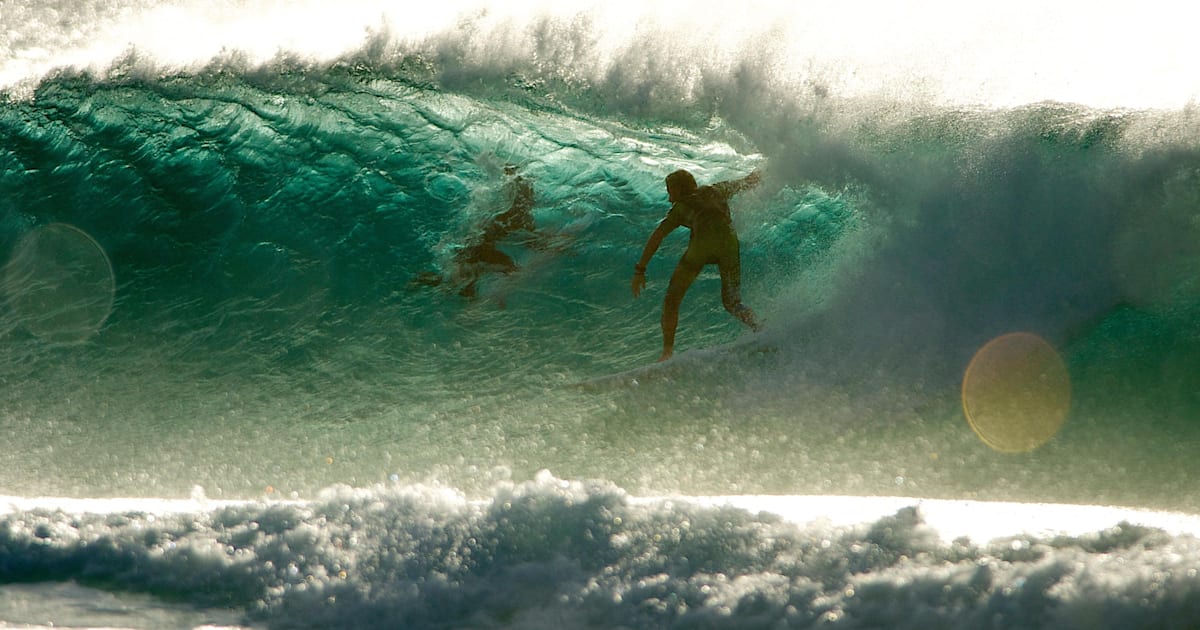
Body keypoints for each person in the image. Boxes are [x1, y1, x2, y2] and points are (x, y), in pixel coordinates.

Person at [631, 168, 762, 361]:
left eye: (670, 191)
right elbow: (747, 182)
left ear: (678, 188)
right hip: (730, 243)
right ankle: (760, 328)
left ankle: (667, 352)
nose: (669, 198)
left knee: (672, 299)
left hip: (703, 246)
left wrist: (640, 269)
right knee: (732, 303)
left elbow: (657, 236)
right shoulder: (716, 190)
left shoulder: (680, 208)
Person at [412, 165, 543, 297]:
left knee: (463, 269)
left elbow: (528, 241)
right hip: (477, 249)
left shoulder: (512, 216)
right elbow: (527, 243)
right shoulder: (515, 218)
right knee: (469, 266)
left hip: (473, 249)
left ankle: (442, 283)